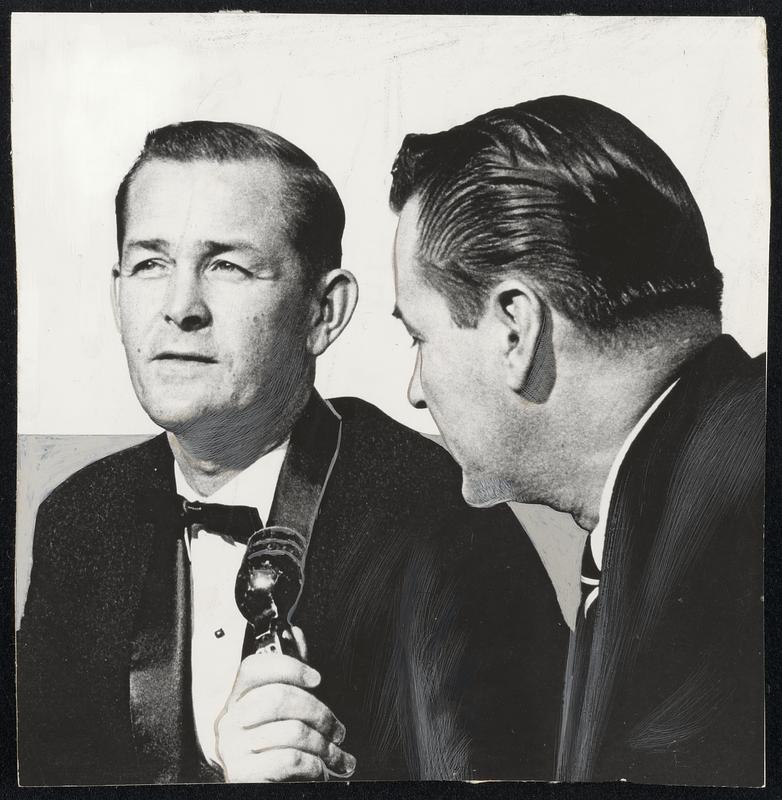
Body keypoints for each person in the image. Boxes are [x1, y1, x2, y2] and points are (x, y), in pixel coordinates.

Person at [17, 121, 568, 785]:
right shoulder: (80, 517)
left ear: (323, 314)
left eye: (228, 265)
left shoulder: (440, 522)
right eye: (150, 264)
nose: (179, 307)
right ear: (116, 293)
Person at [389, 96, 764, 786]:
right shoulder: (704, 478)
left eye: (418, 337)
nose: (414, 389)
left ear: (515, 330)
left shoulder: (737, 522)